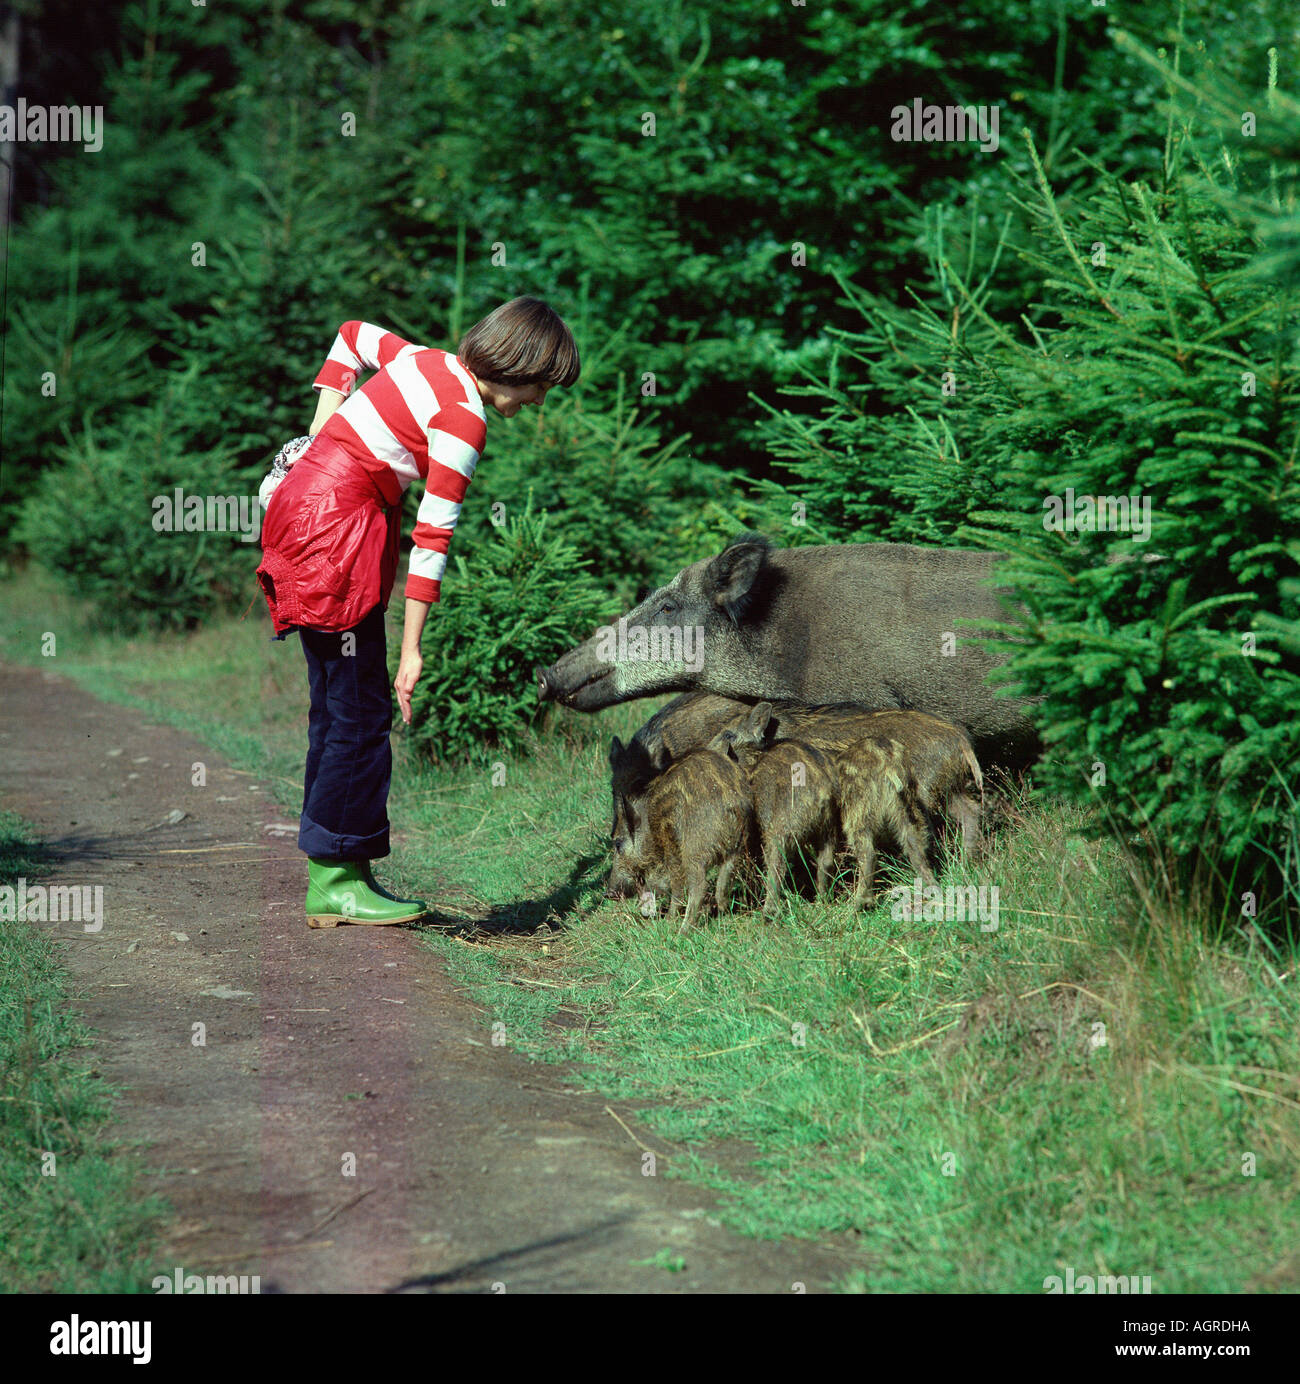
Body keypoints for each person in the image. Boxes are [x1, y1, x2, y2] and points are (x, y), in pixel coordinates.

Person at [256, 297, 580, 928]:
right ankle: (335, 881)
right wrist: (412, 651)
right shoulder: (464, 420)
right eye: (540, 385)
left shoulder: (423, 360)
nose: (540, 400)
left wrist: (318, 440)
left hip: (309, 510)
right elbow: (432, 541)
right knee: (358, 712)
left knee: (340, 705)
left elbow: (350, 335)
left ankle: (342, 869)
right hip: (336, 530)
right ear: (516, 366)